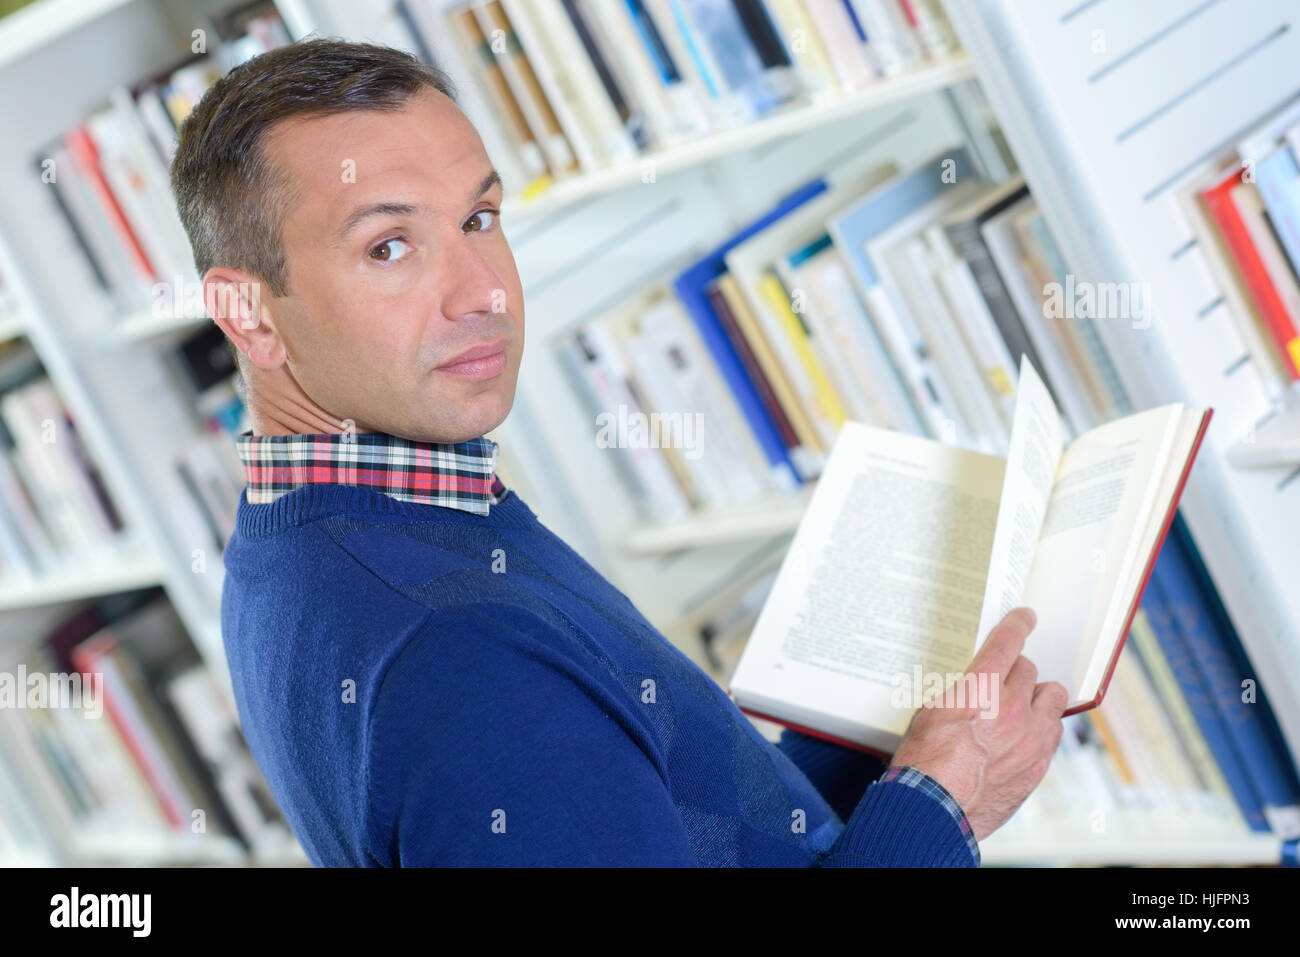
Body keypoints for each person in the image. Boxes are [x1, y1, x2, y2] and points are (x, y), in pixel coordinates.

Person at [171, 38, 1067, 867]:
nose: (483, 293)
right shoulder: (456, 650)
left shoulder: (330, 532)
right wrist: (940, 804)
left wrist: (864, 744)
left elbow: (649, 816)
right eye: (390, 246)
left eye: (479, 218)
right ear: (248, 312)